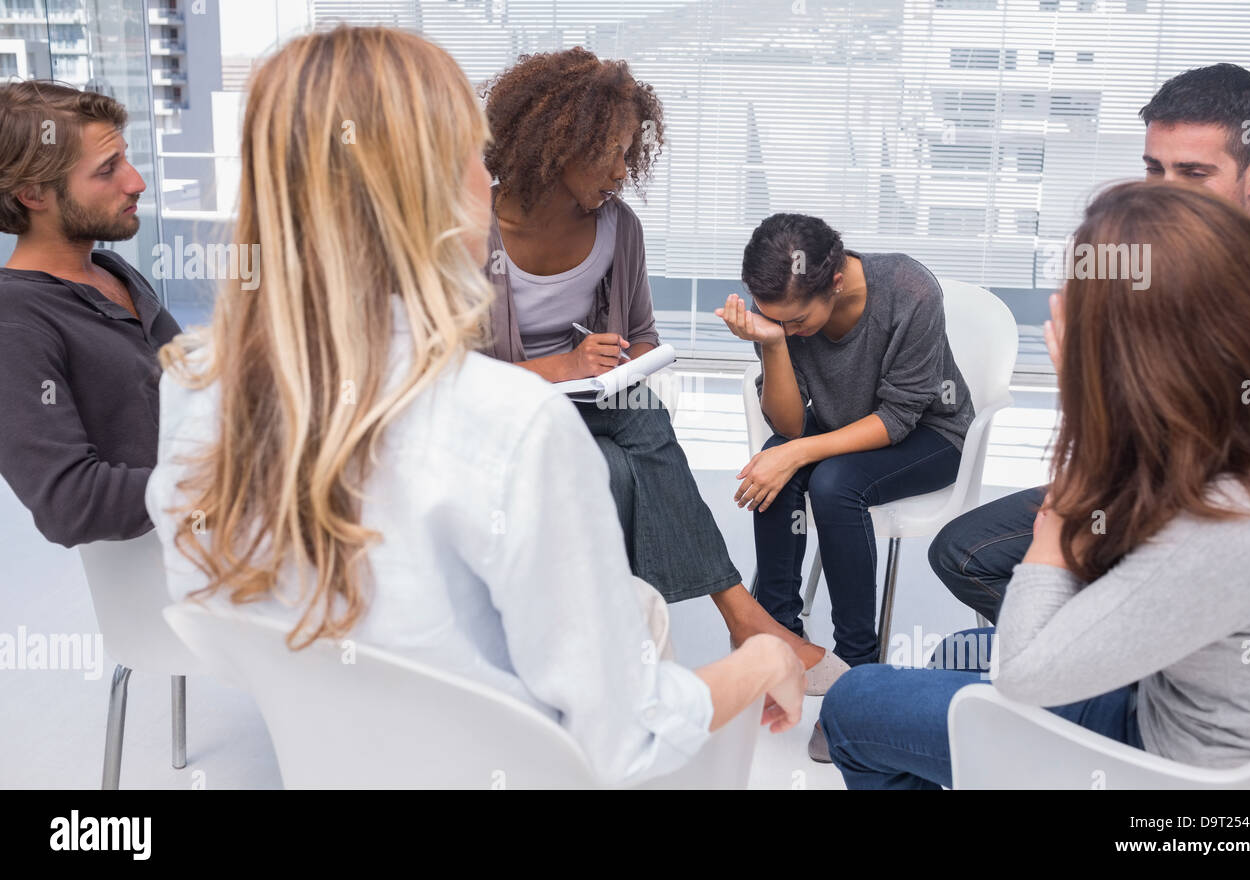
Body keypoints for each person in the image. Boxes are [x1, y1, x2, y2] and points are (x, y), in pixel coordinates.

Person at [144, 25, 805, 787]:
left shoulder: (196, 388)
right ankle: (751, 624)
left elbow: (221, 629)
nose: (485, 177)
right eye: (471, 151)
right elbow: (627, 741)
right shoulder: (512, 429)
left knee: (635, 559)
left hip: (334, 766)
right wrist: (761, 662)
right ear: (424, 186)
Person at [821, 181, 1250, 789]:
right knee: (957, 653)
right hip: (1180, 708)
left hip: (1161, 773)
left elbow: (1023, 671)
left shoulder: (1226, 524)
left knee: (855, 704)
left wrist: (1081, 406)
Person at [478, 47, 833, 684]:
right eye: (611, 151)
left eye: (628, 150)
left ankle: (615, 651)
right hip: (503, 413)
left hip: (590, 402)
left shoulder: (619, 227)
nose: (623, 169)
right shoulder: (469, 230)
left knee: (639, 417)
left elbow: (639, 333)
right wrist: (559, 366)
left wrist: (633, 362)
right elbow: (440, 375)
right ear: (560, 145)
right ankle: (738, 619)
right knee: (618, 464)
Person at [929, 62, 1250, 622]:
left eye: (1194, 173)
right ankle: (1098, 668)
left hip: (1221, 514)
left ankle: (1109, 662)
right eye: (1155, 169)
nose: (1165, 194)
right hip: (1141, 478)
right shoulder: (1150, 255)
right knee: (963, 553)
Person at [718, 214, 974, 757]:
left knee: (831, 482)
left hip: (929, 433)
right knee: (777, 465)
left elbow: (901, 417)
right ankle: (777, 642)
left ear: (834, 282)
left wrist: (798, 451)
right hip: (841, 425)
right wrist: (773, 345)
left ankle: (857, 677)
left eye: (797, 321)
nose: (788, 328)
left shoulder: (909, 290)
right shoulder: (785, 315)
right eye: (774, 319)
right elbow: (789, 426)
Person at [0, 81, 180, 547]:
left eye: (125, 157)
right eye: (107, 170)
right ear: (34, 195)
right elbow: (70, 504)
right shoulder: (13, 320)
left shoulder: (109, 269)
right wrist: (236, 487)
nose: (135, 181)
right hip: (158, 574)